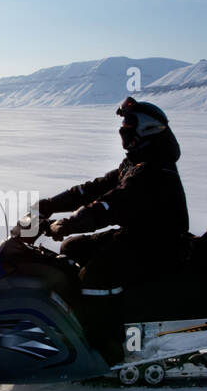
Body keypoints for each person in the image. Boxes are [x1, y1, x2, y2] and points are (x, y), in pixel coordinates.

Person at [37, 98, 189, 292]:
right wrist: (49, 205)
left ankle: (104, 321)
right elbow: (93, 189)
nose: (122, 129)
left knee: (93, 277)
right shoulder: (136, 162)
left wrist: (67, 224)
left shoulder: (155, 169)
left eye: (128, 123)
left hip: (159, 245)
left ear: (146, 129)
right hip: (138, 234)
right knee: (71, 249)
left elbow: (112, 205)